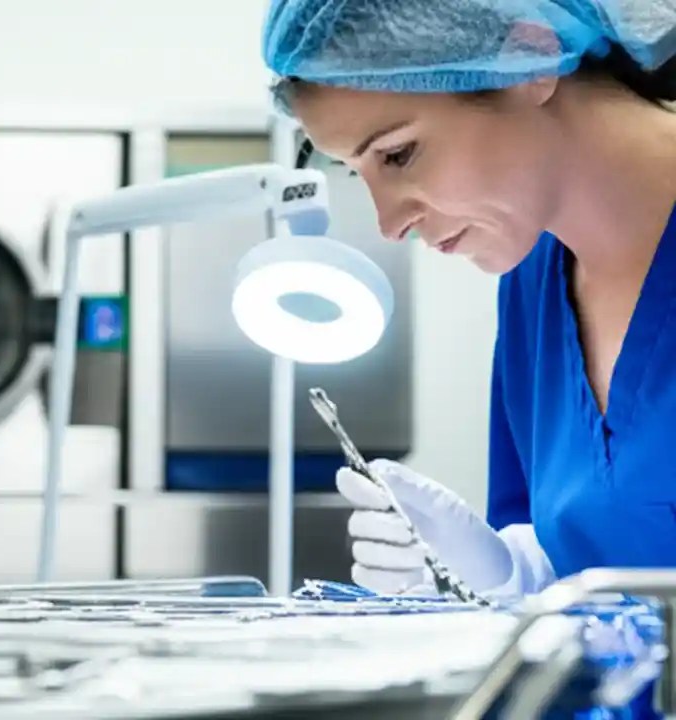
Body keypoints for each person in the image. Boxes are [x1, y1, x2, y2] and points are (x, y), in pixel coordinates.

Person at [262, 0, 676, 600]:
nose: (390, 223)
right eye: (357, 172)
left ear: (531, 57)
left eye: (399, 154)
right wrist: (515, 577)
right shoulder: (535, 286)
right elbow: (594, 560)